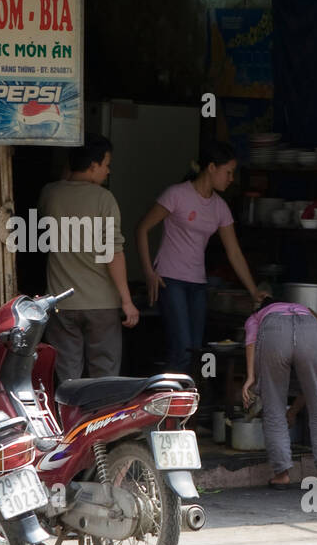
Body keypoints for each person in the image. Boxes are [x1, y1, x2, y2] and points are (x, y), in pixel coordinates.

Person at [136, 140, 266, 373]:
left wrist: (253, 291)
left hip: (198, 284)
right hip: (170, 279)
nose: (231, 178)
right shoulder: (177, 194)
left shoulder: (220, 207)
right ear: (212, 168)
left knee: (195, 350)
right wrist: (148, 271)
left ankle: (182, 403)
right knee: (183, 349)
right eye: (228, 172)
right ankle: (164, 401)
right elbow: (142, 228)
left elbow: (234, 252)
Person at [38, 133, 139, 384]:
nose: (108, 171)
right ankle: (101, 422)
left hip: (62, 303)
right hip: (101, 304)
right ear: (93, 166)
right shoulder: (104, 199)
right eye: (106, 164)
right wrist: (127, 300)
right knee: (104, 376)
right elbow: (113, 252)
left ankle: (69, 421)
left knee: (67, 376)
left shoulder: (50, 193)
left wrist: (70, 172)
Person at [240, 297, 317, 488]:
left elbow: (251, 341)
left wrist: (251, 377)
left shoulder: (256, 317)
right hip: (311, 331)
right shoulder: (305, 309)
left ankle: (281, 475)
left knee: (273, 405)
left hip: (274, 336)